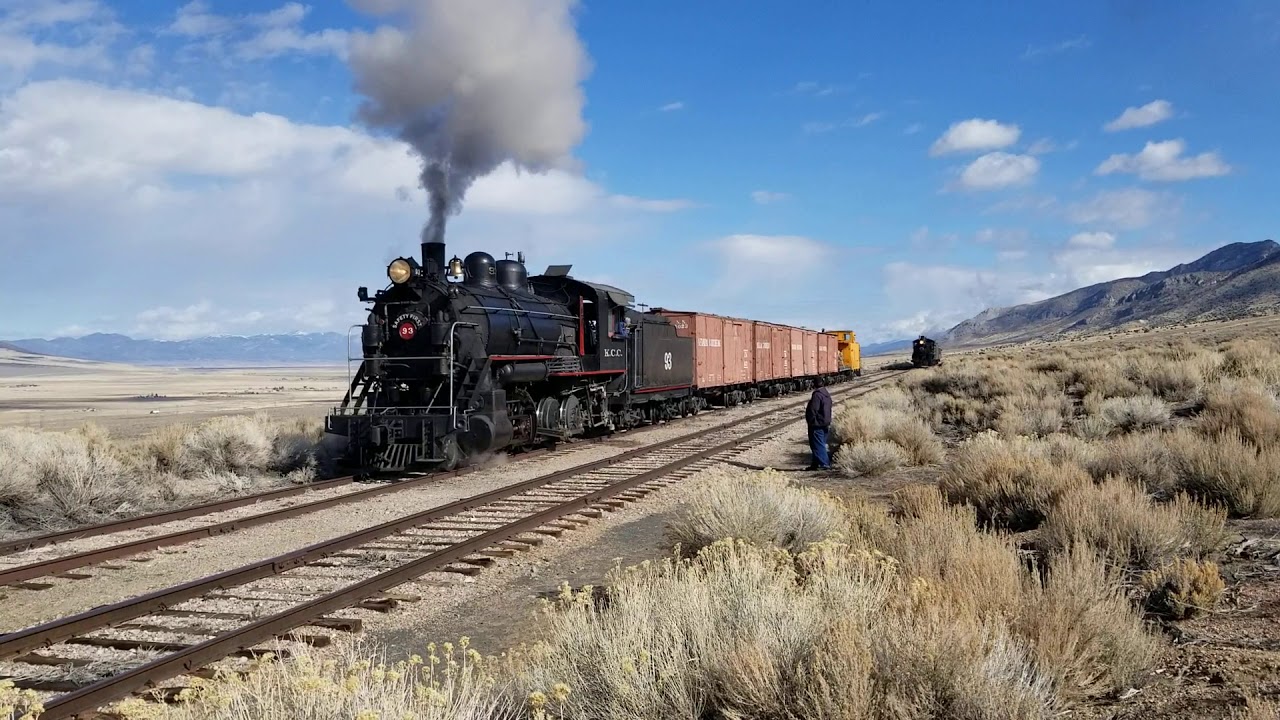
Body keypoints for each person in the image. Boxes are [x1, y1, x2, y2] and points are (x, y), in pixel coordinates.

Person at [805, 377, 833, 470]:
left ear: (814, 384)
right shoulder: (826, 394)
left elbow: (813, 409)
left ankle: (824, 464)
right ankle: (815, 463)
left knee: (817, 444)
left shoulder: (817, 395)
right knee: (819, 443)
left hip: (817, 424)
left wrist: (811, 420)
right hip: (825, 422)